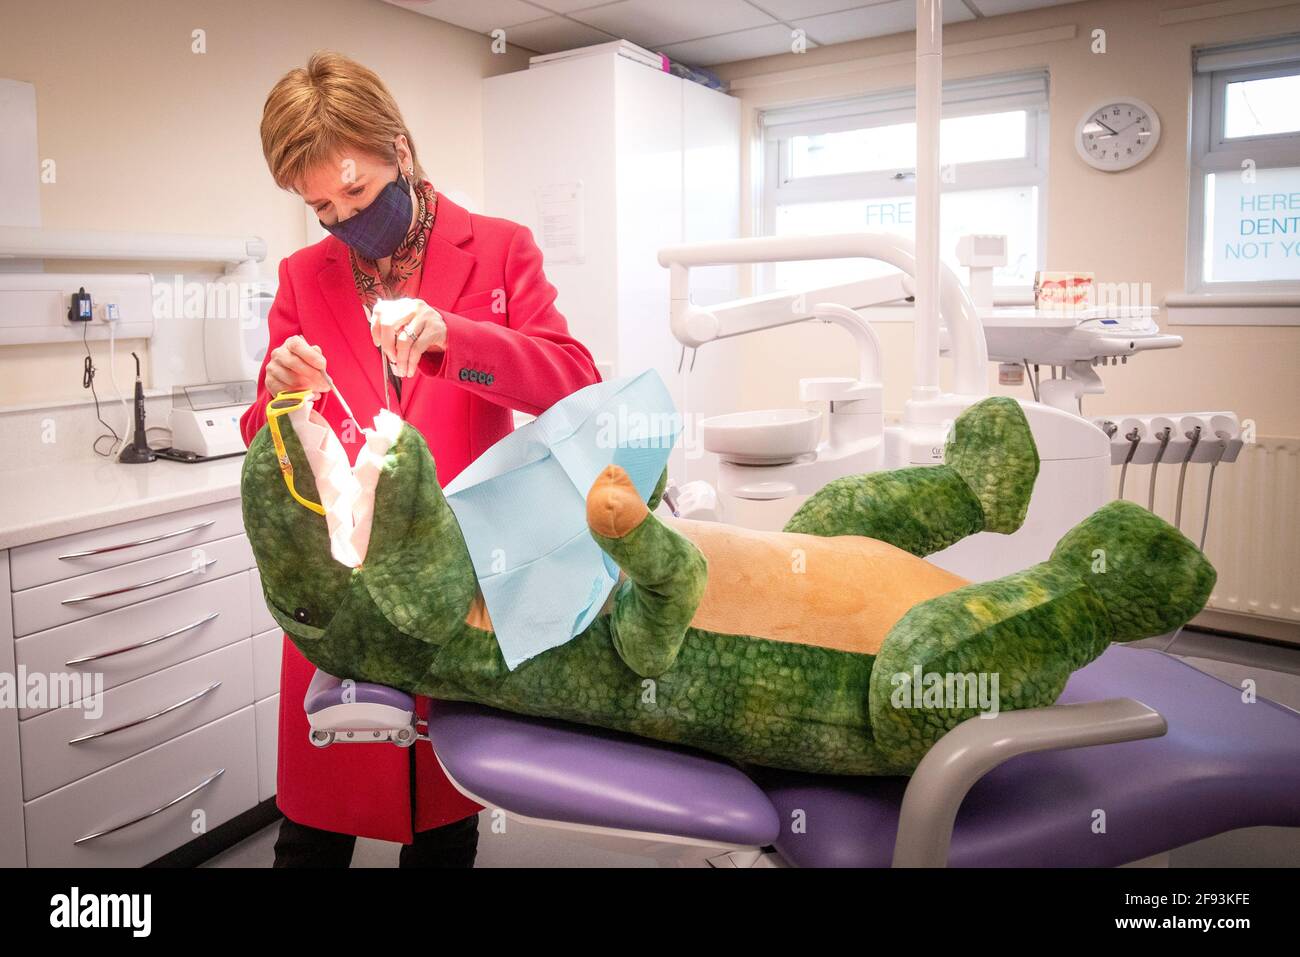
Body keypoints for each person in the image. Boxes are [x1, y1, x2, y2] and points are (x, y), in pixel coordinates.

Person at [239, 51, 601, 867]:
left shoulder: (500, 251)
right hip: (337, 596)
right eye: (321, 206)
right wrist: (281, 392)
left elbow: (575, 382)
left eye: (357, 193)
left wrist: (457, 338)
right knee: (311, 836)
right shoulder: (304, 276)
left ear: (397, 149)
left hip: (452, 581)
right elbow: (263, 429)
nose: (341, 218)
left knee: (442, 829)